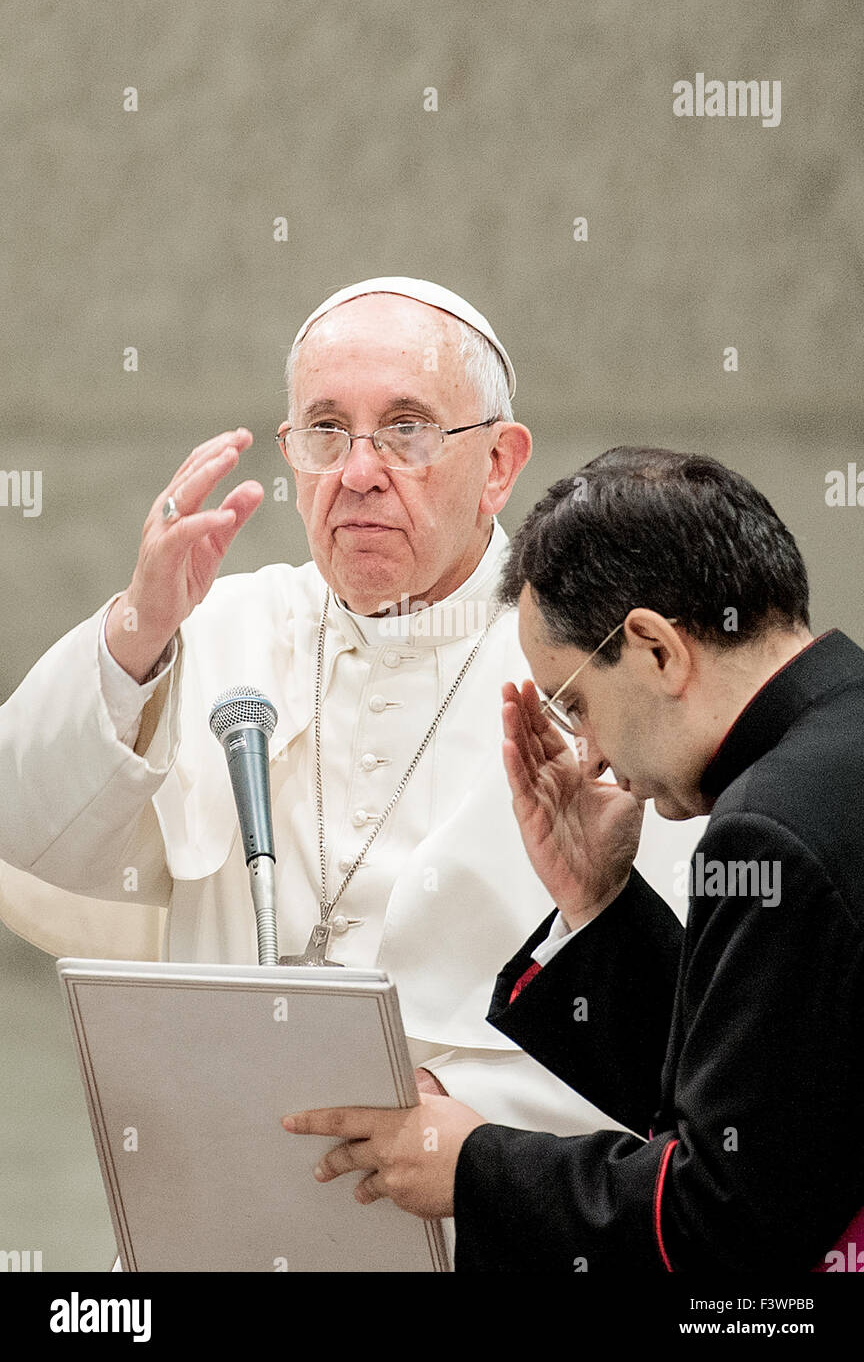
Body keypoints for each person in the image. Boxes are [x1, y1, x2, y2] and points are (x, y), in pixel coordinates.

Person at [0, 283, 703, 1135]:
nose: (359, 473)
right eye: (326, 432)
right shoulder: (217, 631)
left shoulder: (593, 670)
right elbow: (26, 828)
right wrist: (135, 632)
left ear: (498, 466)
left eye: (406, 430)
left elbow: (673, 1043)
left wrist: (470, 1127)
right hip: (229, 1162)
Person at [284, 447, 864, 1273]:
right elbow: (781, 1103)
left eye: (578, 704)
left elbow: (728, 1224)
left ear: (657, 651)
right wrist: (598, 905)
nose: (588, 755)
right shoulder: (839, 748)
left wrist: (475, 1164)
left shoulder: (768, 827)